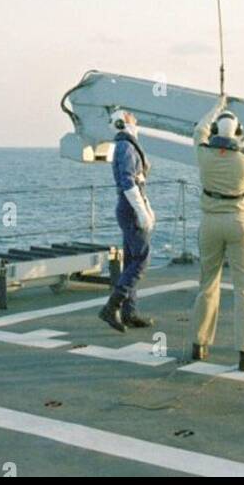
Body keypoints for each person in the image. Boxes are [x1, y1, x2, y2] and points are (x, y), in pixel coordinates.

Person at [190, 99, 244, 372]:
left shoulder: (204, 154)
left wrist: (216, 108)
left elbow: (199, 130)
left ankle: (199, 344)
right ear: (238, 132)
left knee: (207, 283)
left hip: (210, 222)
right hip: (238, 221)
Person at [98, 109, 155, 332]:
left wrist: (146, 208)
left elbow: (136, 183)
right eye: (130, 114)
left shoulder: (125, 145)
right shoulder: (126, 146)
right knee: (141, 259)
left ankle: (130, 313)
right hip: (130, 208)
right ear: (123, 122)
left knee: (131, 259)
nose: (135, 117)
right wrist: (141, 212)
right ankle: (112, 306)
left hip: (129, 206)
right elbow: (129, 183)